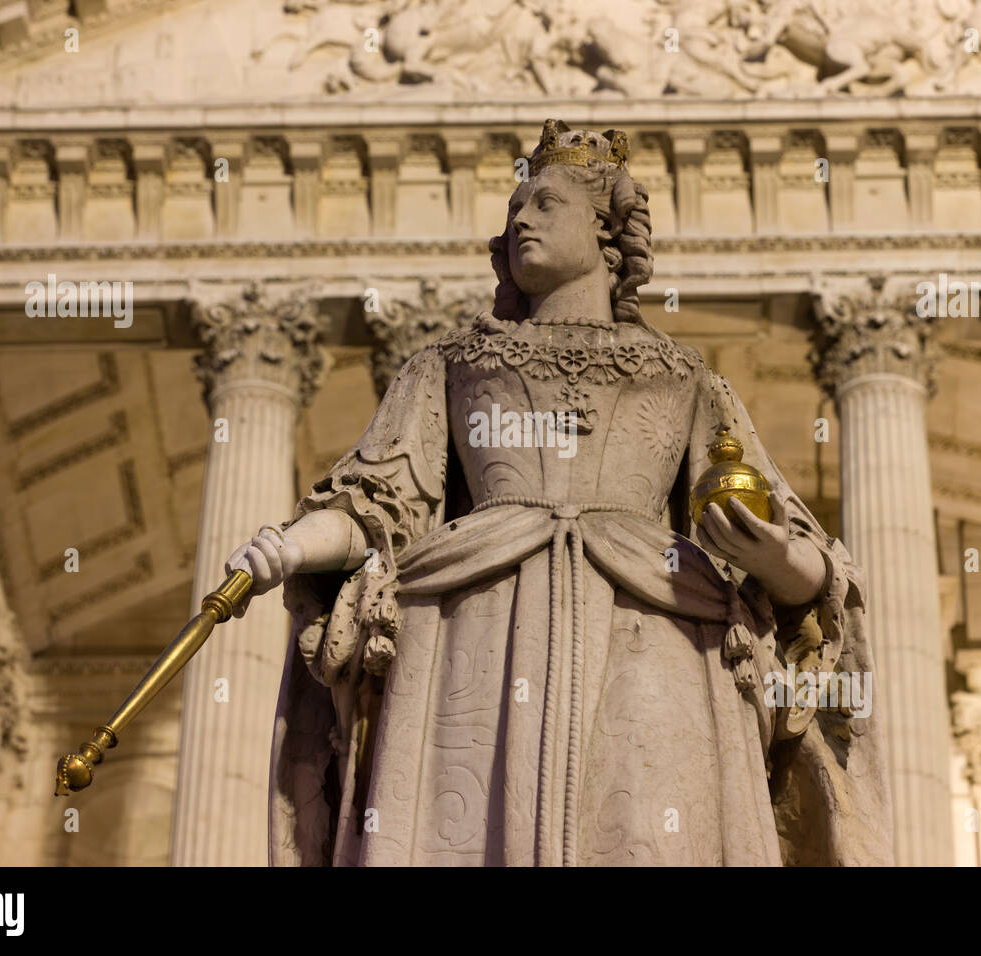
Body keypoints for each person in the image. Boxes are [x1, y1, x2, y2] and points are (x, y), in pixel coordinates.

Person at [227, 119, 893, 866]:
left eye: (544, 203)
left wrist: (777, 560)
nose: (521, 218)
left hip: (661, 631)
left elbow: (798, 555)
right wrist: (289, 546)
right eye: (516, 206)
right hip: (470, 625)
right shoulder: (447, 365)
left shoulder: (684, 377)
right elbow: (378, 506)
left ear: (606, 230)